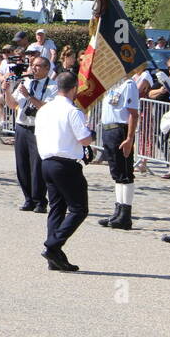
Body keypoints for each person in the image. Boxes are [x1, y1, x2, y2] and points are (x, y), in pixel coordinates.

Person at [34, 71, 94, 272]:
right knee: (79, 209)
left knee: (57, 208)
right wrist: (91, 133)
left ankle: (55, 256)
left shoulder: (45, 109)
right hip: (66, 163)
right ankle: (52, 245)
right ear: (74, 89)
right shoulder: (72, 111)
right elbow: (84, 139)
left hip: (47, 161)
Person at [96, 72, 142, 230]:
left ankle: (126, 214)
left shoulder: (129, 85)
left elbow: (133, 114)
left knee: (125, 173)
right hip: (109, 130)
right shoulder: (111, 85)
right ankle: (118, 210)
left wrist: (129, 138)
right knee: (116, 173)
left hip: (120, 130)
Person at [11, 56, 54, 213]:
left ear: (46, 69)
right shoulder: (26, 83)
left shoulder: (52, 86)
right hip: (22, 125)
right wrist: (6, 90)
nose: (33, 68)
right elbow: (12, 104)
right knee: (22, 165)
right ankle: (28, 198)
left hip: (38, 128)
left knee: (37, 166)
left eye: (37, 66)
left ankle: (40, 200)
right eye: (32, 65)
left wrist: (29, 96)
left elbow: (46, 107)